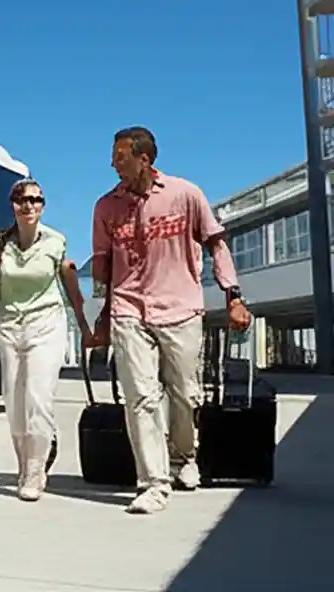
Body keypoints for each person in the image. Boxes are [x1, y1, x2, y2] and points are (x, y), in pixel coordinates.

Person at [90, 126, 251, 514]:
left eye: (121, 157)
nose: (113, 164)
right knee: (140, 398)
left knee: (183, 394)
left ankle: (183, 458)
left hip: (180, 308)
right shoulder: (106, 207)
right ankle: (152, 483)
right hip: (129, 308)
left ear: (145, 158)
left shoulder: (185, 194)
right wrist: (103, 315)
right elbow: (102, 266)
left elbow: (216, 245)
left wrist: (233, 296)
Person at [0, 177, 96, 502]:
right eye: (21, 200)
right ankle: (24, 463)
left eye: (34, 200)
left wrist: (84, 327)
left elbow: (70, 286)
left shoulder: (55, 242)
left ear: (42, 206)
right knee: (14, 406)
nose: (27, 205)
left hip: (46, 325)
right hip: (9, 328)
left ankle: (35, 469)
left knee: (37, 398)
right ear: (12, 205)